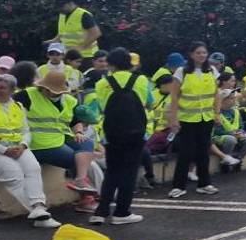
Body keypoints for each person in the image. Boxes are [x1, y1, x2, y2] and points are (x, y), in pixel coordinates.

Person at [0, 74, 59, 228]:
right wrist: (4, 150)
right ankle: (39, 214)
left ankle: (39, 206)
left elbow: (26, 131)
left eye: (2, 88)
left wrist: (23, 145)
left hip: (16, 148)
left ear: (12, 90)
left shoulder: (17, 106)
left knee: (33, 168)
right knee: (14, 174)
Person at [89, 48, 151, 225]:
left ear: (110, 63)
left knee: (112, 171)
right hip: (135, 131)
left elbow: (102, 107)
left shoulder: (102, 83)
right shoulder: (141, 80)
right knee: (129, 172)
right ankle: (122, 213)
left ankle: (101, 211)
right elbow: (147, 102)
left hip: (112, 133)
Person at [17, 67, 97, 194]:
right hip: (38, 144)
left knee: (87, 143)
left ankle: (80, 181)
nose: (51, 93)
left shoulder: (70, 101)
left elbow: (75, 121)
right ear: (42, 87)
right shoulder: (27, 95)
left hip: (60, 138)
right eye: (48, 90)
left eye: (55, 92)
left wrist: (79, 132)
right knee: (77, 160)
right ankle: (85, 193)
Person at [166, 42, 221, 198]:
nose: (202, 55)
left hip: (206, 117)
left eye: (204, 52)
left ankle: (204, 184)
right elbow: (174, 96)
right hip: (187, 119)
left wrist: (217, 113)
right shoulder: (182, 71)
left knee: (203, 151)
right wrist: (174, 119)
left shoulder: (211, 70)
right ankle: (179, 186)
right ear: (191, 55)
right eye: (198, 52)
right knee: (186, 152)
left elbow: (216, 94)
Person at [211, 90, 246, 172]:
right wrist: (232, 134)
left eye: (234, 98)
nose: (234, 100)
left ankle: (238, 160)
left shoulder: (235, 111)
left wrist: (241, 132)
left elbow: (241, 125)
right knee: (231, 139)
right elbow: (216, 131)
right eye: (231, 98)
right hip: (218, 136)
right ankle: (225, 162)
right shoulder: (215, 113)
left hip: (235, 134)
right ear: (223, 100)